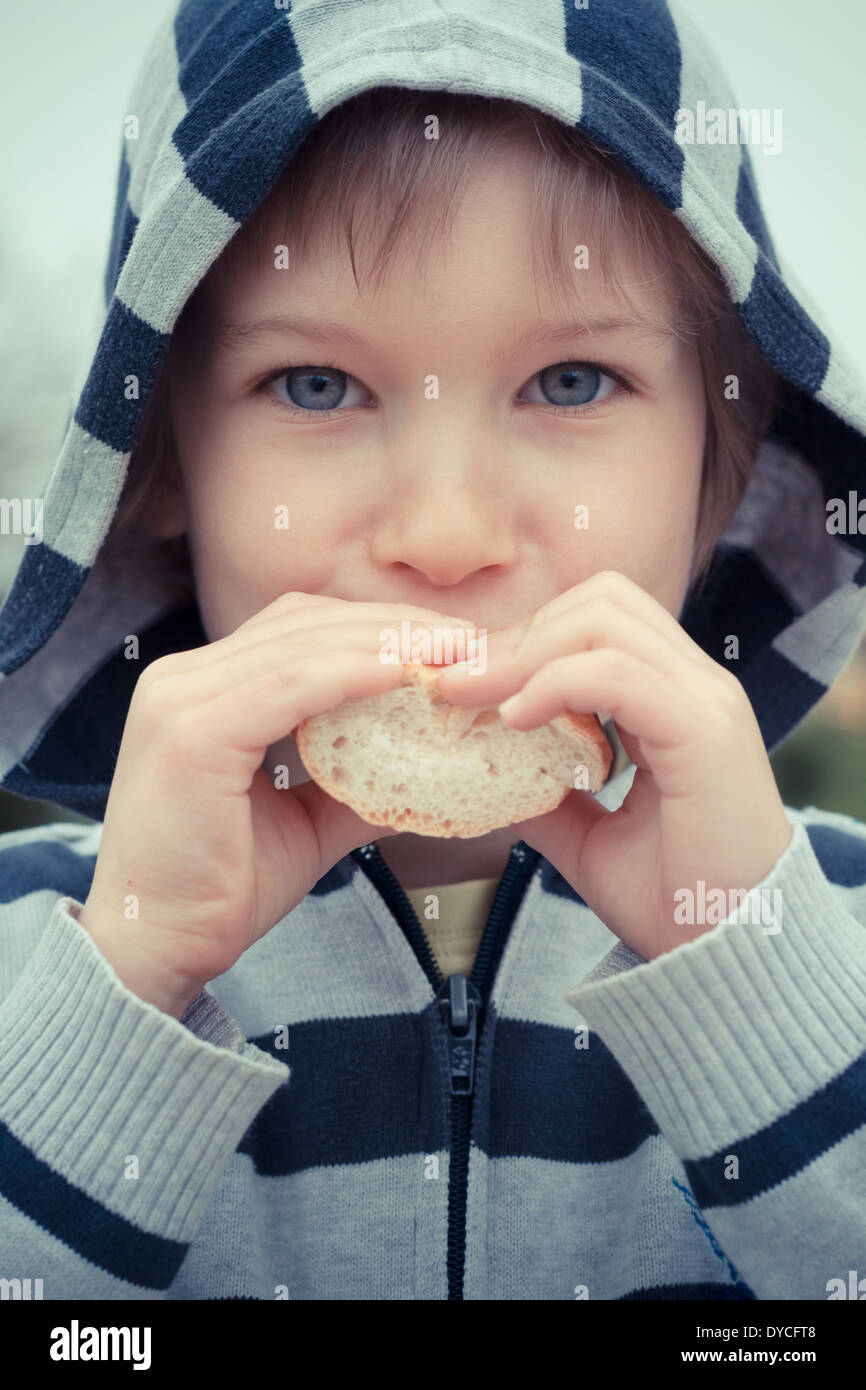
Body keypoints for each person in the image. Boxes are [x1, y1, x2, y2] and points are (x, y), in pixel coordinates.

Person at [0, 0, 864, 1301]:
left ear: (721, 473)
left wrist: (752, 973)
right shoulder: (40, 945)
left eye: (569, 381)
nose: (445, 534)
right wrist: (127, 985)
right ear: (160, 465)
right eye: (315, 385)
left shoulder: (834, 931)